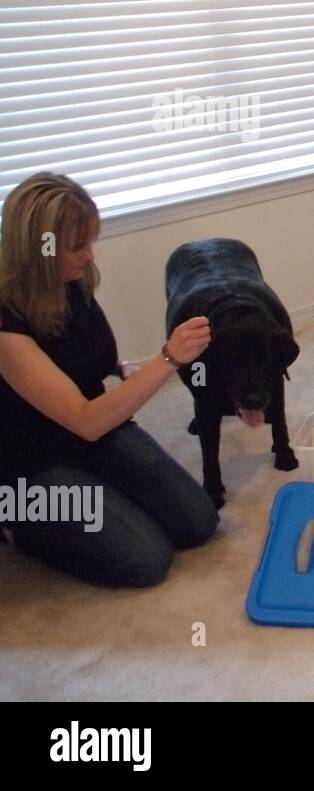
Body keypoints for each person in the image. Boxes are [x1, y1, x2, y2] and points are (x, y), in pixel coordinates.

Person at [0, 174, 218, 586]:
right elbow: (86, 419)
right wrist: (168, 358)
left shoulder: (70, 281)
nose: (89, 255)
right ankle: (17, 523)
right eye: (77, 246)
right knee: (145, 558)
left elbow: (77, 348)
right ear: (37, 249)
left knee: (197, 523)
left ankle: (88, 493)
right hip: (32, 460)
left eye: (91, 240)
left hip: (93, 432)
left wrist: (120, 367)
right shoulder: (6, 324)